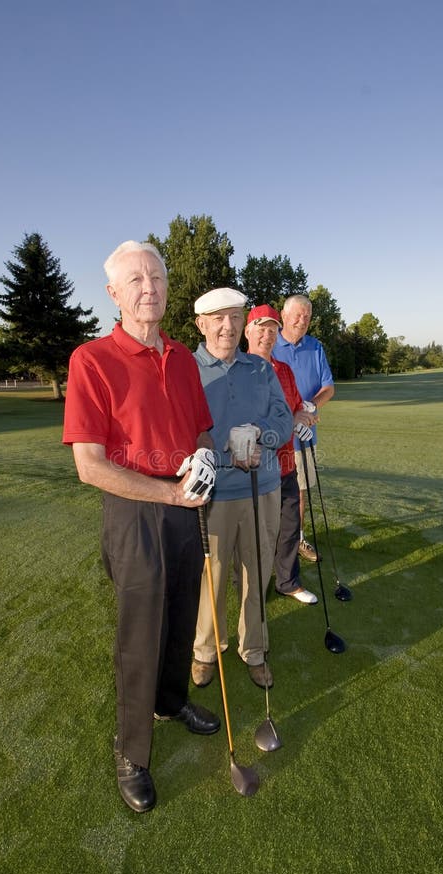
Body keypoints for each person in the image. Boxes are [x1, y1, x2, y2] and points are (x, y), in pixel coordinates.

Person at [62, 240, 220, 815]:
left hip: (185, 504)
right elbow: (89, 466)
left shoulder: (181, 357)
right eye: (135, 280)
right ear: (113, 293)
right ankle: (132, 751)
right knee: (140, 633)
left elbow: (200, 429)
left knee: (181, 613)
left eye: (156, 276)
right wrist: (168, 492)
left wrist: (203, 458)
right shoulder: (91, 360)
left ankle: (171, 700)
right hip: (134, 513)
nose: (148, 287)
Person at [191, 288, 293, 689]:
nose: (227, 327)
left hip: (260, 488)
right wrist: (217, 449)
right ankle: (205, 650)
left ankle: (254, 649)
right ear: (201, 324)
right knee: (210, 579)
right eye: (217, 319)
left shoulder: (260, 369)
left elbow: (283, 419)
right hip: (213, 492)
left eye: (235, 318)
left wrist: (260, 435)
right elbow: (181, 427)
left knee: (256, 574)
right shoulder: (187, 369)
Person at [245, 304, 318, 605]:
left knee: (289, 527)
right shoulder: (237, 371)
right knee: (256, 535)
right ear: (248, 331)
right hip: (254, 471)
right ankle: (251, 589)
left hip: (287, 464)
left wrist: (305, 414)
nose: (267, 335)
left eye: (273, 330)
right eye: (261, 328)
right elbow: (249, 423)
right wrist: (292, 421)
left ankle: (287, 581)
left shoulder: (283, 370)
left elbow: (297, 405)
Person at [272, 295, 335, 562]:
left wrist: (311, 406)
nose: (302, 320)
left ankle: (296, 539)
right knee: (272, 490)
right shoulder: (269, 343)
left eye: (307, 316)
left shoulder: (315, 346)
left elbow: (328, 388)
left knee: (299, 490)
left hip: (305, 434)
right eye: (298, 315)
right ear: (284, 316)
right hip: (275, 436)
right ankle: (271, 539)